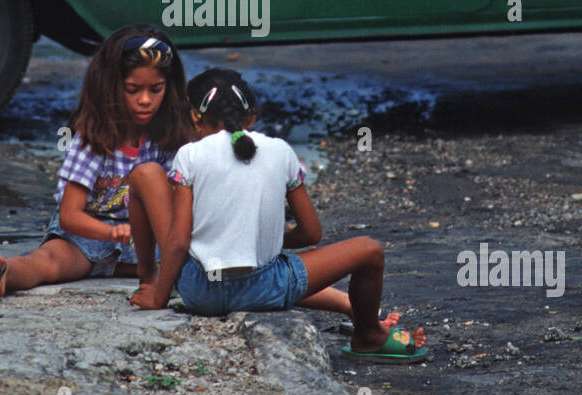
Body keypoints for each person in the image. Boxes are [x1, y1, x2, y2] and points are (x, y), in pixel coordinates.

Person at [129, 67, 427, 363]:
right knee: (369, 251)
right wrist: (262, 240)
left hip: (200, 292)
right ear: (252, 118)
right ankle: (368, 337)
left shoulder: (189, 156)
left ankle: (148, 278)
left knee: (145, 177)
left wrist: (158, 298)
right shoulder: (281, 151)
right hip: (264, 290)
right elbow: (311, 233)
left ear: (194, 116)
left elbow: (179, 241)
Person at [0, 25, 192, 301]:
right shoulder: (94, 139)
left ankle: (141, 270)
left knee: (184, 256)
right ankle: (2, 273)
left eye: (156, 89)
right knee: (49, 261)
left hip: (146, 242)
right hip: (85, 238)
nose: (145, 100)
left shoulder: (169, 139)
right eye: (132, 89)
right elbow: (70, 216)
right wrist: (111, 232)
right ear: (111, 87)